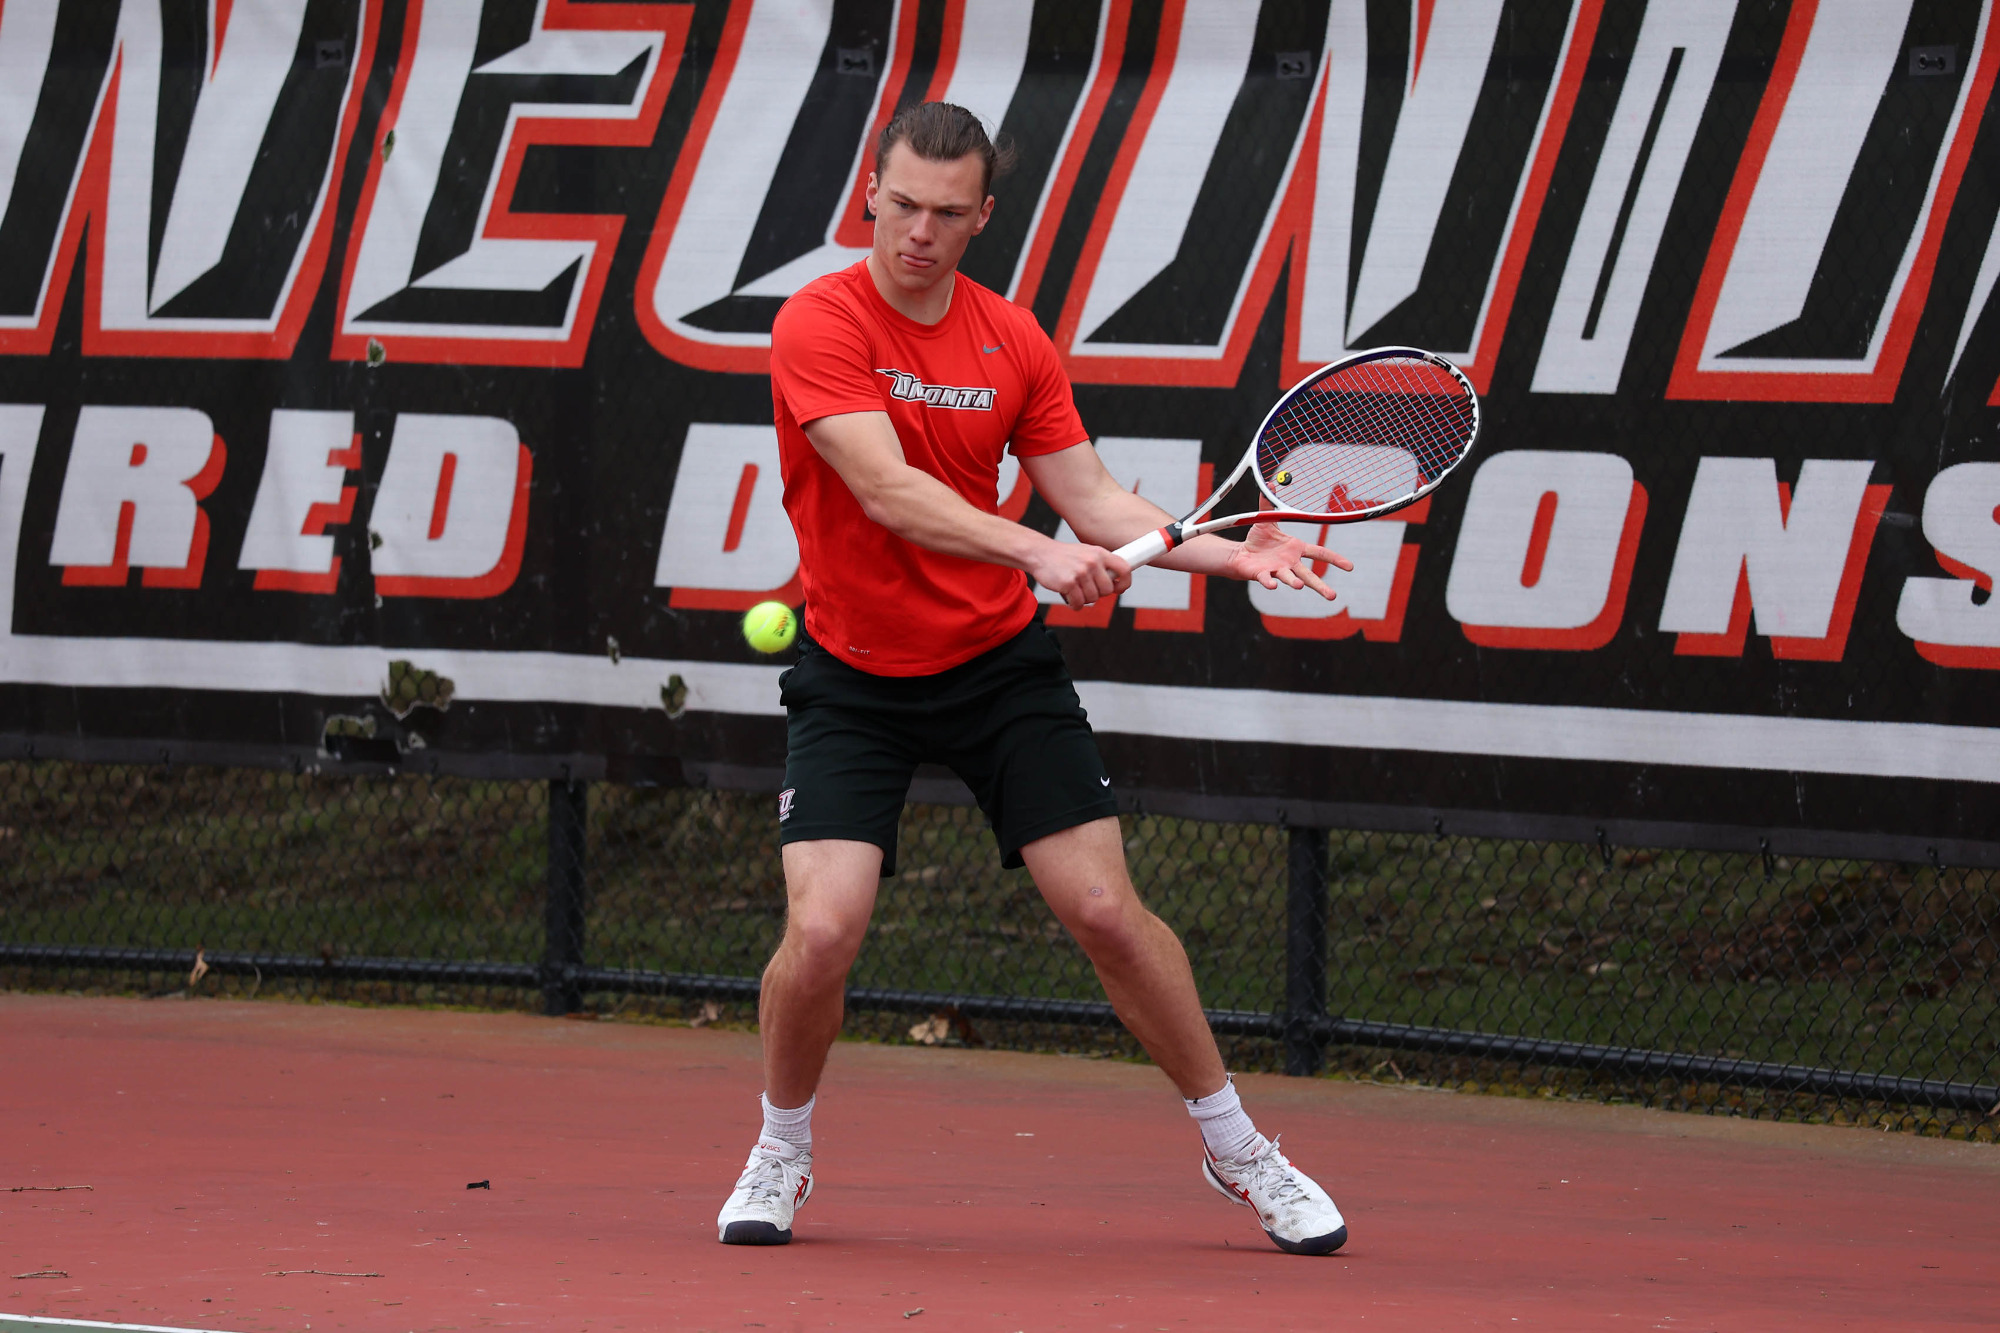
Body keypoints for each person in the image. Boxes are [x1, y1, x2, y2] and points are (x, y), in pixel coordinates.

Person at [716, 102, 1353, 1257]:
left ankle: (1240, 1150)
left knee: (1108, 911)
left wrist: (1232, 549)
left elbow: (1096, 499)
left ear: (981, 218)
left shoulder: (1011, 340)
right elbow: (885, 489)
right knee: (822, 930)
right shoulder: (818, 322)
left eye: (946, 213)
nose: (919, 230)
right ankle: (782, 1145)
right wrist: (1037, 550)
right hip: (853, 673)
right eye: (902, 203)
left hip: (997, 668)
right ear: (870, 192)